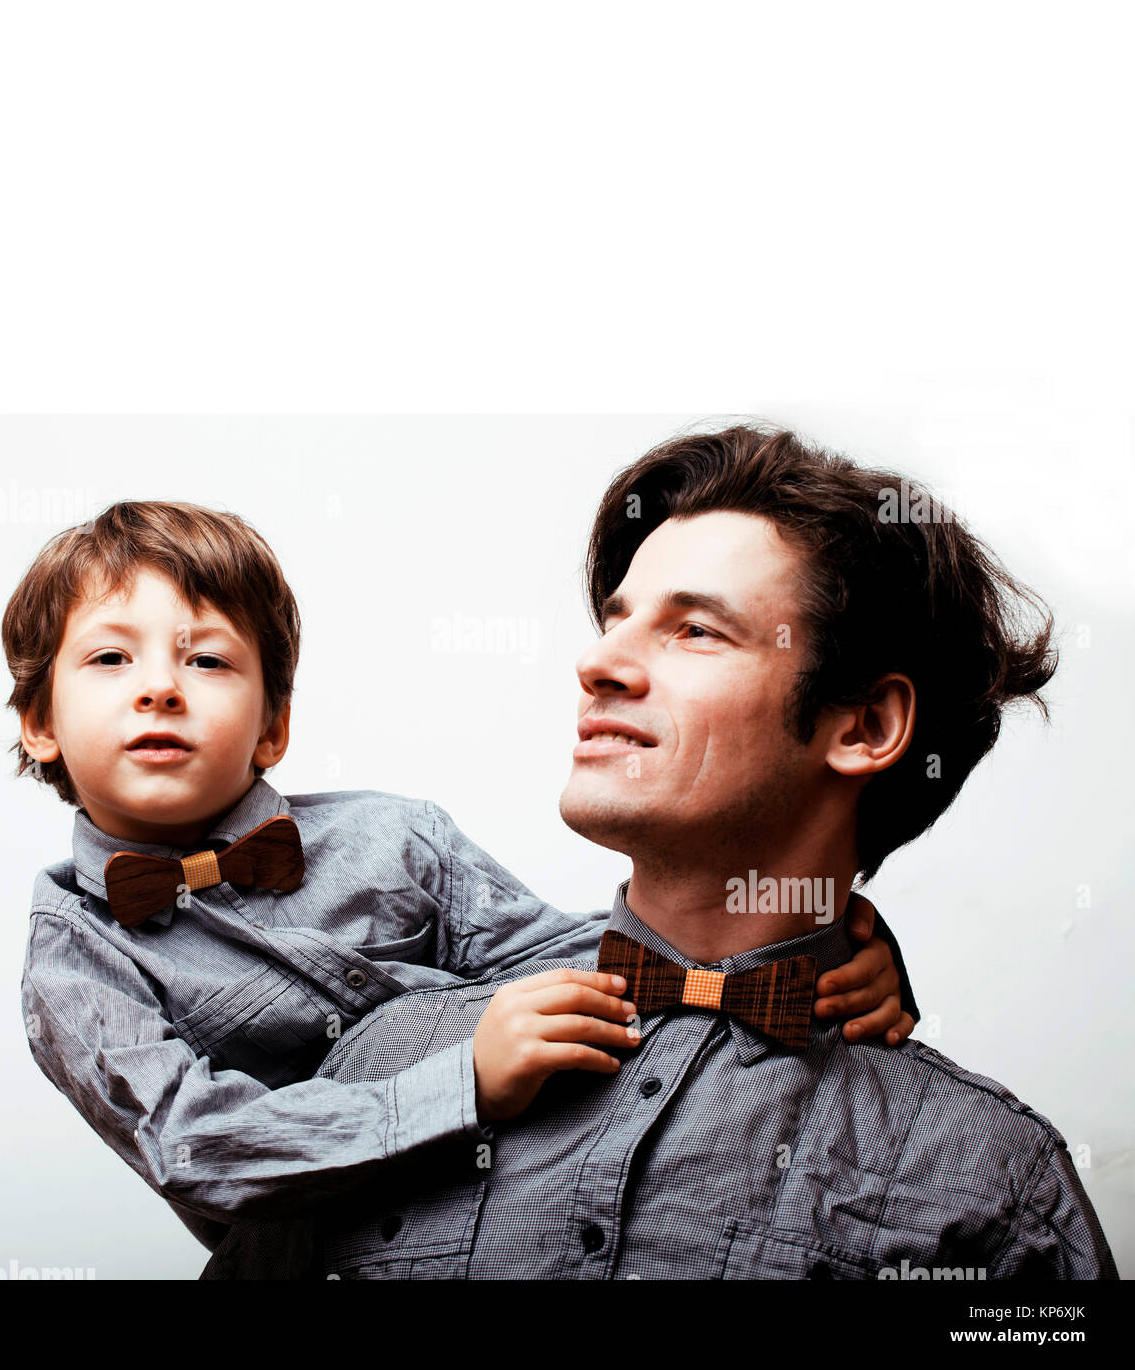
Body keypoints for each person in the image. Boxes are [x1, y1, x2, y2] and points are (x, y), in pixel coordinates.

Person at [203, 424, 1117, 1279]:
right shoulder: (392, 1063)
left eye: (695, 629)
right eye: (616, 618)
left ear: (868, 725)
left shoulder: (994, 1186)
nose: (599, 663)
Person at [9, 499, 916, 1256]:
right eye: (109, 658)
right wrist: (461, 1082)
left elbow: (606, 958)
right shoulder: (74, 953)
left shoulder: (397, 839)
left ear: (273, 728)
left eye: (206, 659)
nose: (161, 687)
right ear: (39, 724)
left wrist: (817, 940)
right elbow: (192, 1142)